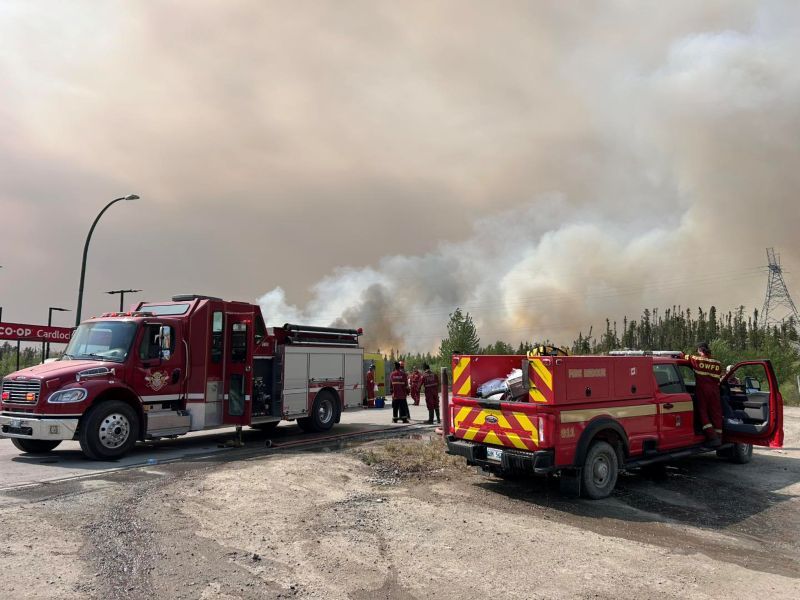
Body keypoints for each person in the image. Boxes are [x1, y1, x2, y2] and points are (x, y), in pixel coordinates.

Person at [685, 342, 724, 447]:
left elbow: (685, 356)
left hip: (702, 390)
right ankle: (719, 437)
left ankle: (712, 436)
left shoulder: (697, 360)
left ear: (700, 350)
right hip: (715, 391)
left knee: (703, 412)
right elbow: (720, 377)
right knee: (716, 413)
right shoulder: (717, 363)